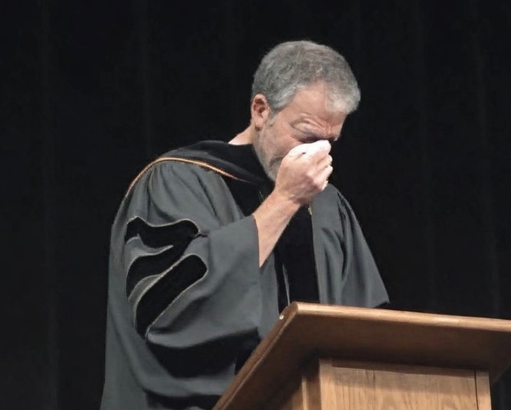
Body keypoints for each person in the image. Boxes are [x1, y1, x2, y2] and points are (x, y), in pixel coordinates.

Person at [101, 40, 389, 410]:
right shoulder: (177, 182)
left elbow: (367, 334)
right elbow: (171, 312)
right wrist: (284, 201)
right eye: (306, 136)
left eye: (329, 142)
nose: (317, 154)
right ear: (260, 110)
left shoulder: (329, 207)